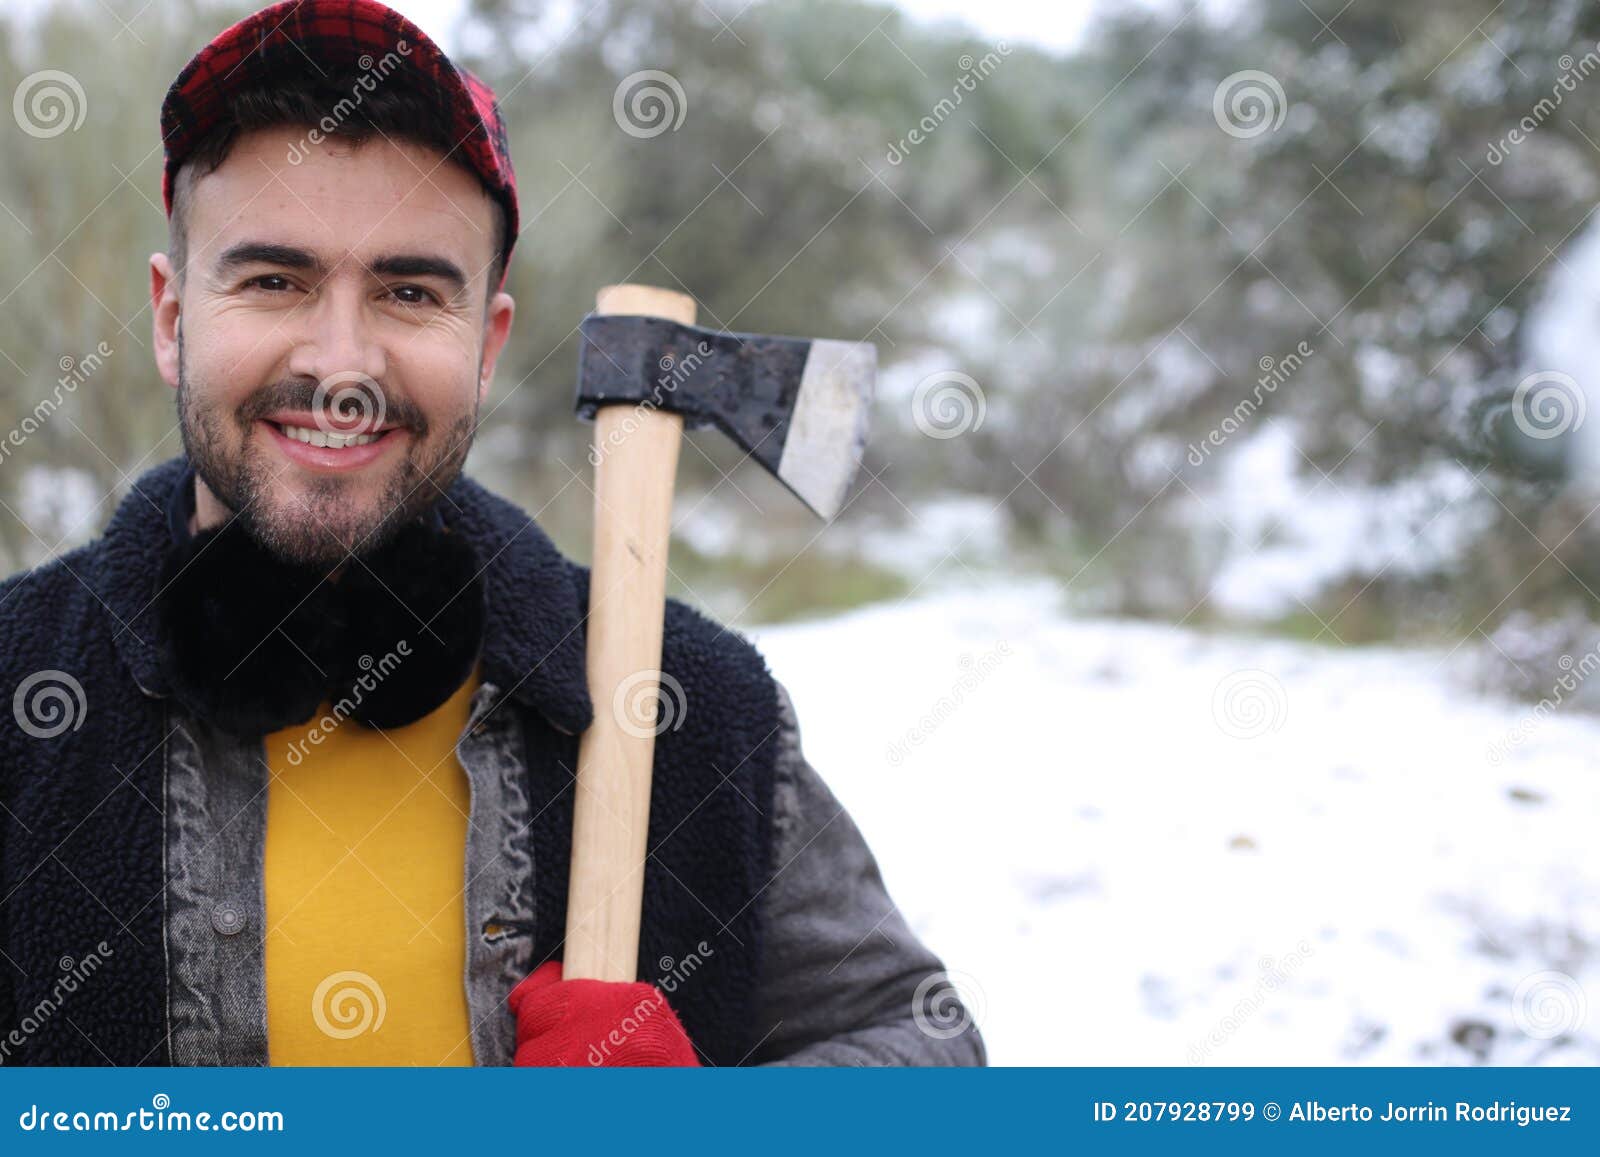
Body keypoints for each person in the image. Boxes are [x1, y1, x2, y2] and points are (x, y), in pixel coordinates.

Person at [0, 0, 983, 1068]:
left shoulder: (688, 704)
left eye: (409, 291)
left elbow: (926, 1045)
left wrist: (711, 1125)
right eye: (274, 281)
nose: (342, 367)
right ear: (171, 317)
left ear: (487, 343)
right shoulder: (20, 688)